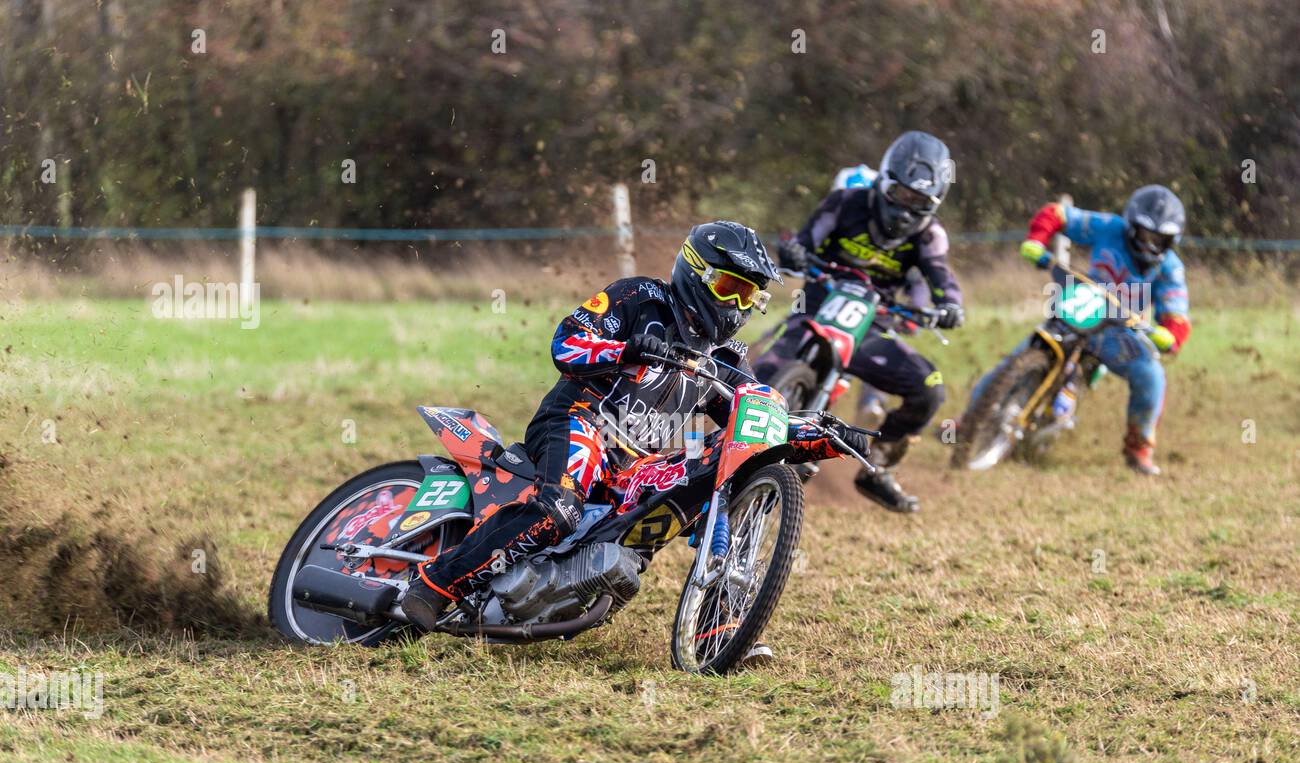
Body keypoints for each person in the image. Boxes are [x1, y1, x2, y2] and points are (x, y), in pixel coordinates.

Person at [401, 220, 870, 629]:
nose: (738, 305)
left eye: (750, 295)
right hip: (579, 421)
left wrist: (823, 435)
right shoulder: (639, 298)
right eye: (730, 288)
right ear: (696, 272)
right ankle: (435, 584)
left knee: (713, 484)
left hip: (632, 464)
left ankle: (718, 627)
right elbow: (565, 344)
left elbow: (754, 426)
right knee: (557, 510)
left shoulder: (726, 359)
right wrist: (630, 349)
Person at [755, 131, 964, 512]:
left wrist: (950, 304)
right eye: (901, 195)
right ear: (884, 182)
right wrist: (795, 252)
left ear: (934, 205)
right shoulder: (846, 202)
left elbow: (941, 276)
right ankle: (708, 457)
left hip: (872, 326)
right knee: (757, 377)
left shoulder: (931, 235)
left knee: (930, 388)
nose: (905, 211)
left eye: (918, 203)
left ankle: (878, 464)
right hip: (816, 310)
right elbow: (805, 240)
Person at [987, 185, 1188, 474]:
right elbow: (1056, 214)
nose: (1150, 244)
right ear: (1131, 226)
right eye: (1145, 234)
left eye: (1159, 238)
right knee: (1016, 359)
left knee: (1151, 374)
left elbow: (1177, 315)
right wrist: (1036, 240)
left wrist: (1168, 334)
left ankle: (1139, 448)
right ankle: (969, 421)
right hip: (1080, 305)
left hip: (1119, 331)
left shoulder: (1171, 269)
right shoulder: (1109, 227)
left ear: (1171, 241)